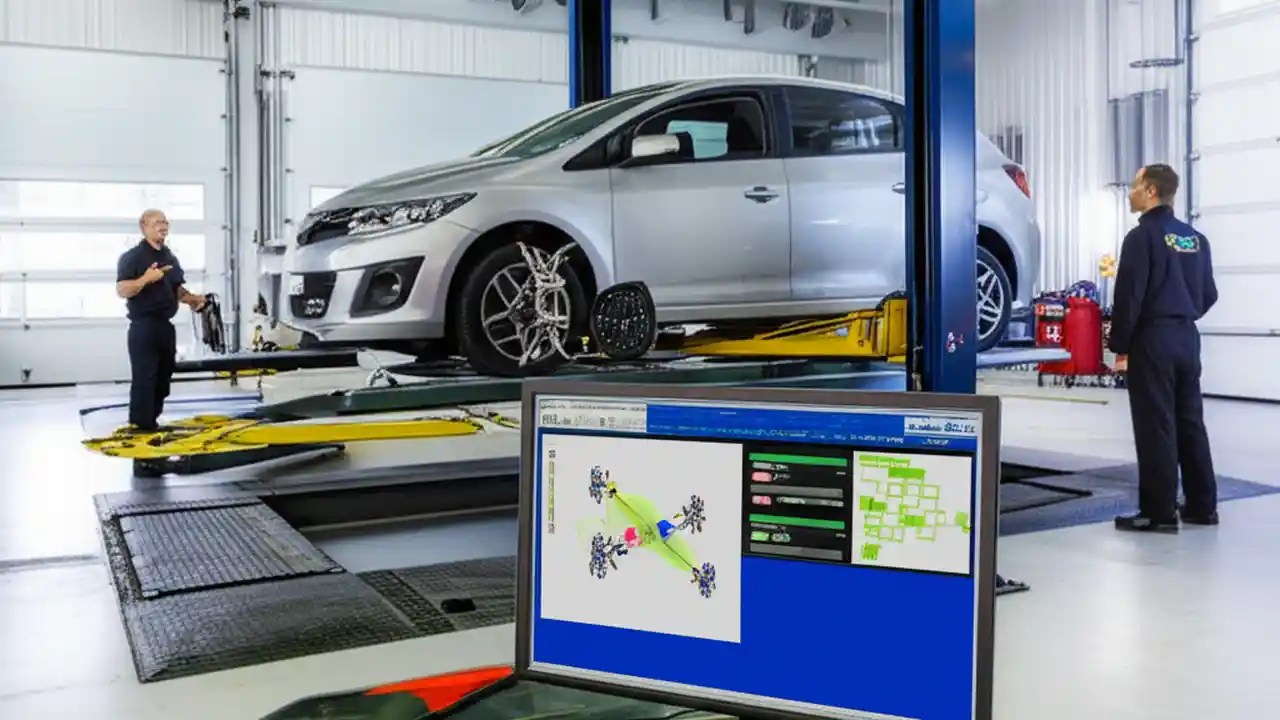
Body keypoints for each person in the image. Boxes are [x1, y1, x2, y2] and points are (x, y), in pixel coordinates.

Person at [1109, 164, 1219, 533]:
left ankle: (1158, 512)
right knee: (1190, 421)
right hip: (1187, 338)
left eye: (1136, 185)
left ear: (1151, 190)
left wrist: (1119, 345)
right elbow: (1209, 295)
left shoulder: (1141, 238)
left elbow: (1129, 298)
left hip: (1152, 340)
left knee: (1155, 423)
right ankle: (1203, 507)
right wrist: (1181, 313)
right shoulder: (1194, 238)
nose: (1131, 192)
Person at [115, 209, 205, 432]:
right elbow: (122, 289)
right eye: (156, 223)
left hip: (165, 326)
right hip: (143, 326)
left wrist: (193, 299)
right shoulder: (132, 258)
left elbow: (176, 289)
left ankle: (151, 421)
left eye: (165, 222)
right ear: (143, 226)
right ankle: (139, 426)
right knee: (145, 377)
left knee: (163, 377)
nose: (162, 227)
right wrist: (146, 279)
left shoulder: (169, 257)